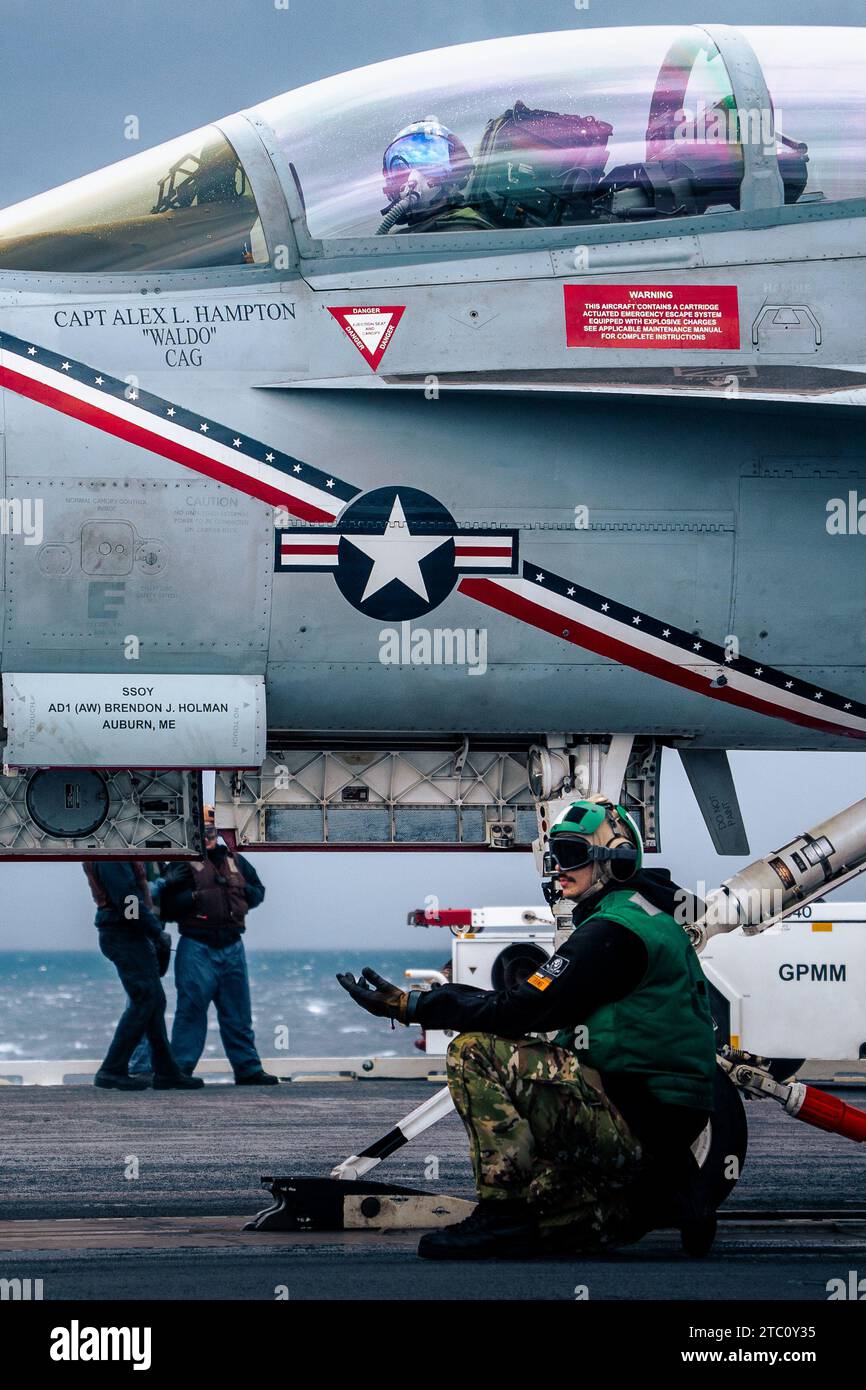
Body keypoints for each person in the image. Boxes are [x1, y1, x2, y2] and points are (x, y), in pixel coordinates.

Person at [338, 795, 717, 1260]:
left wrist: (416, 1006)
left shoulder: (612, 932)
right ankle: (666, 1189)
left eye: (573, 854)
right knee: (558, 1211)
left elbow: (522, 1010)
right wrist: (421, 1003)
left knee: (474, 1050)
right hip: (657, 1124)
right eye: (555, 855)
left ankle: (502, 1212)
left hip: (632, 1119)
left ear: (614, 859)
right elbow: (529, 1005)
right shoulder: (646, 917)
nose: (559, 867)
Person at [159, 819, 278, 1085]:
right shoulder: (181, 863)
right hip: (196, 946)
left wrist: (242, 892)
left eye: (211, 831)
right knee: (191, 1010)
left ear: (218, 833)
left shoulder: (236, 861)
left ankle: (248, 1069)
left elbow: (259, 892)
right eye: (202, 831)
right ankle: (180, 1070)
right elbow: (165, 907)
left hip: (233, 946)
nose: (207, 836)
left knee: (238, 1012)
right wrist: (191, 897)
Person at [84, 860, 203, 1091]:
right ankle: (111, 1069)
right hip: (123, 934)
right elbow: (128, 902)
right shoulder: (111, 856)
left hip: (128, 932)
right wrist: (155, 931)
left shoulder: (114, 851)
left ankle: (166, 1071)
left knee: (154, 1001)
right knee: (145, 998)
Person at [376, 118, 496, 234]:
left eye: (429, 167)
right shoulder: (396, 238)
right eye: (402, 170)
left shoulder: (467, 230)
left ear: (456, 175)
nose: (414, 177)